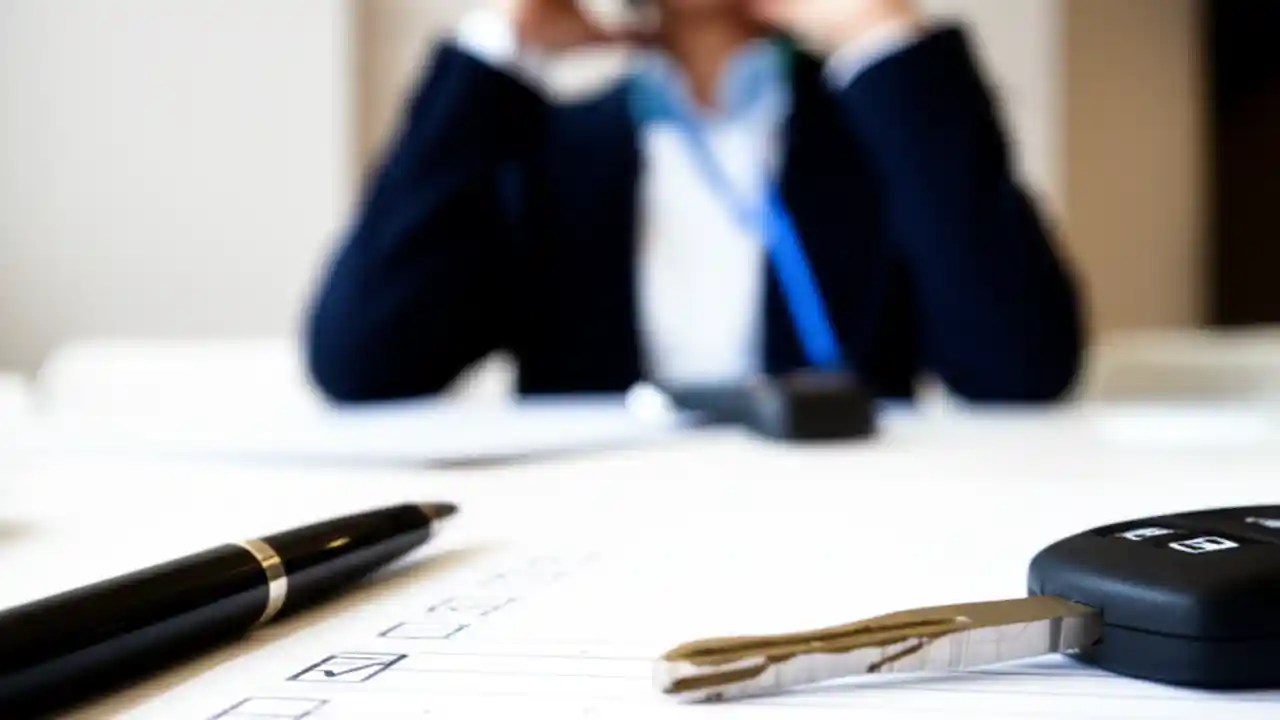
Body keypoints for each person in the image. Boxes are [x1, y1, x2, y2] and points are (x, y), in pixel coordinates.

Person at [307, 0, 1082, 403]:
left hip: (845, 521)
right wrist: (501, 44)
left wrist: (882, 37)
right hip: (591, 536)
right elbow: (362, 363)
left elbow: (1022, 367)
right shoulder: (546, 148)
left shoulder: (883, 135)